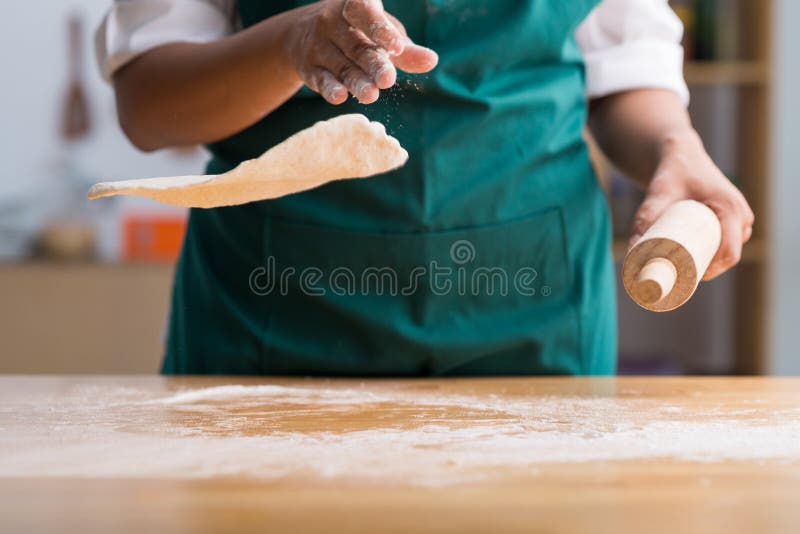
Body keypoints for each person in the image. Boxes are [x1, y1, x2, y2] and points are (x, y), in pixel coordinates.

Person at [97, 0, 754, 375]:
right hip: (276, 312)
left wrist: (676, 145)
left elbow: (624, 66)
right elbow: (149, 104)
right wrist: (289, 46)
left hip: (535, 310)